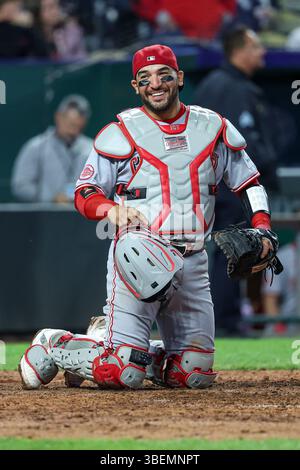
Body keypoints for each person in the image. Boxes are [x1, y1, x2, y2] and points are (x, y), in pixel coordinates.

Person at [18, 44, 276, 391]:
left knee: (194, 375)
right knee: (120, 374)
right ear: (135, 86)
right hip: (139, 257)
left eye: (164, 75)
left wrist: (263, 229)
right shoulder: (121, 132)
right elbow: (85, 192)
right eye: (145, 78)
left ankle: (108, 344)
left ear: (179, 78)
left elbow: (249, 183)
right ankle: (55, 343)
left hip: (193, 261)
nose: (155, 83)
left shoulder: (213, 127)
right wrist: (111, 209)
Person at [194, 25, 279, 335]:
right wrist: (266, 168)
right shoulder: (235, 88)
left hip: (205, 184)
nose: (263, 53)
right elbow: (245, 147)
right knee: (232, 252)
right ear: (240, 50)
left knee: (212, 252)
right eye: (256, 47)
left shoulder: (209, 84)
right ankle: (226, 322)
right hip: (231, 185)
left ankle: (215, 320)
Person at [11, 95, 92, 203]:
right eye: (68, 118)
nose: (75, 121)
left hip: (80, 215)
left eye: (80, 117)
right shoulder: (36, 147)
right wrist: (51, 198)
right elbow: (20, 185)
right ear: (58, 116)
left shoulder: (91, 149)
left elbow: (100, 185)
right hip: (43, 215)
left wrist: (75, 196)